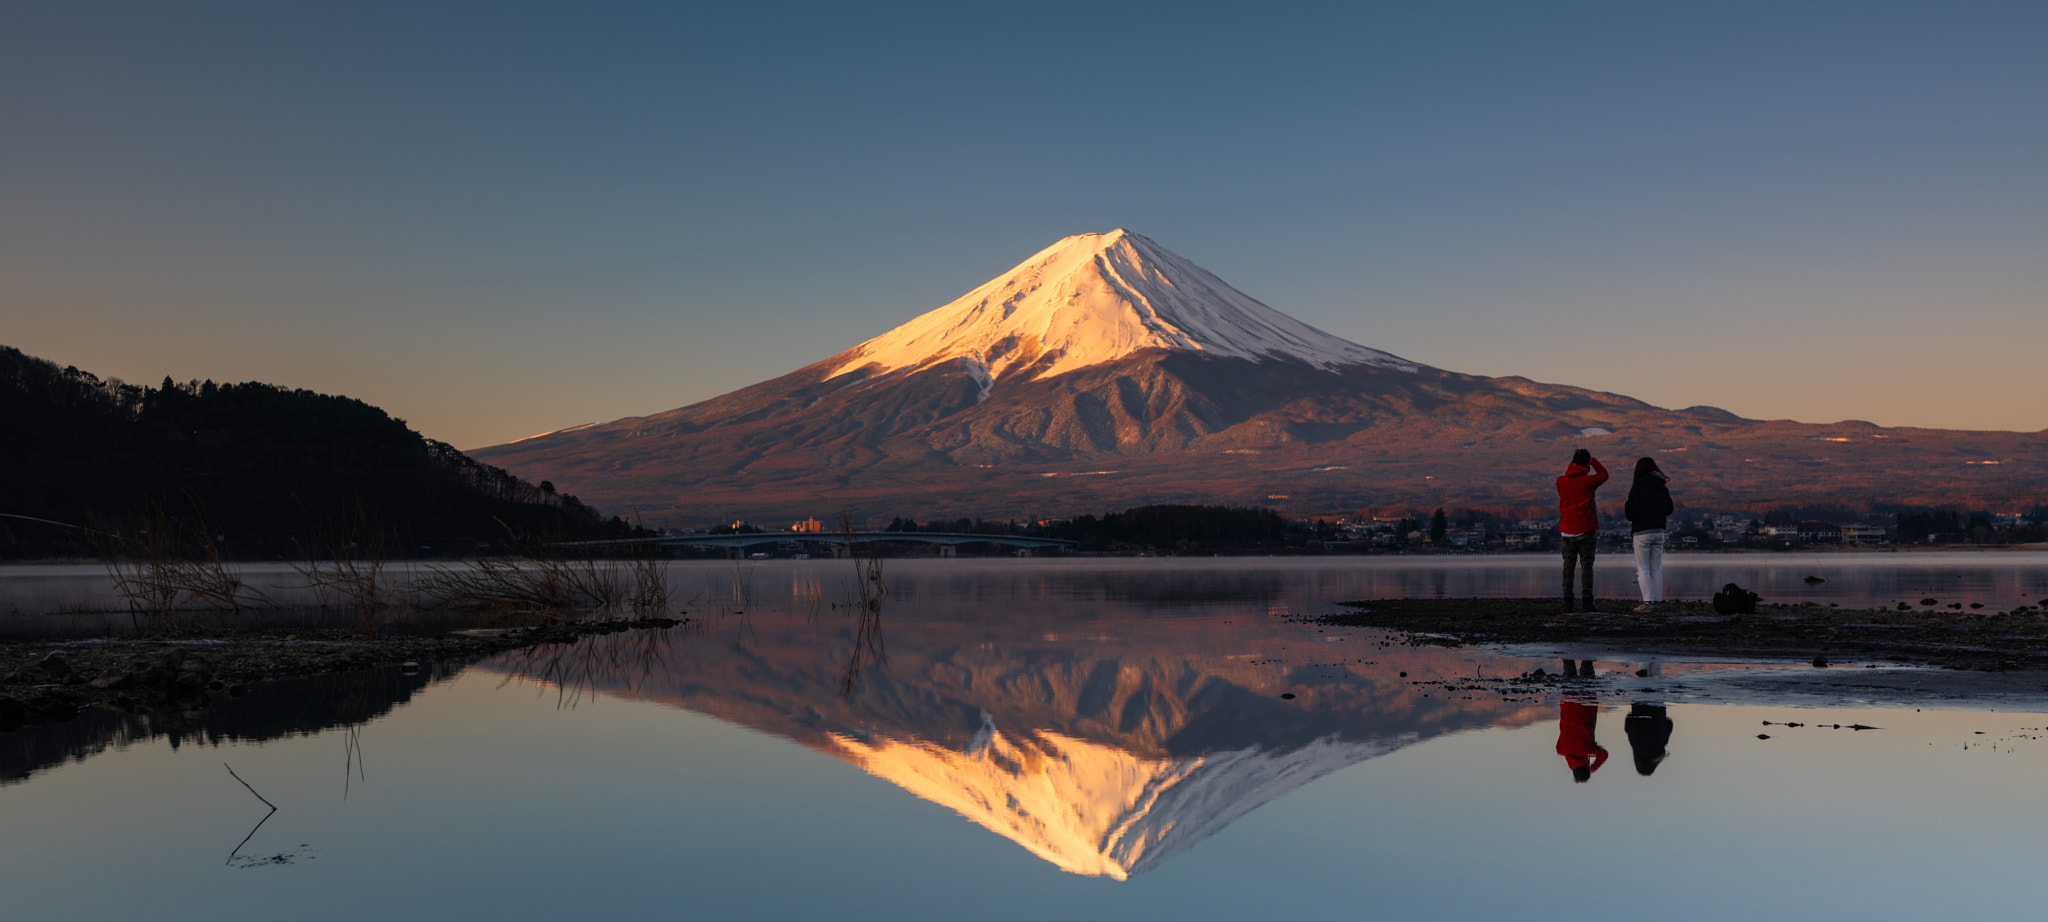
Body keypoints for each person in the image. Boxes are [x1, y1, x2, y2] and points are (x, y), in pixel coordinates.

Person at [1556, 448, 1608, 613]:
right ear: (1586, 464)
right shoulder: (1588, 481)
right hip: (1586, 529)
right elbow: (1604, 475)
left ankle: (1568, 603)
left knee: (1568, 567)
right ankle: (1587, 602)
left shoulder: (1560, 481)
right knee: (1587, 567)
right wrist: (1593, 461)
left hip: (1566, 530)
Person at [1624, 457, 1675, 612]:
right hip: (1659, 531)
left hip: (1642, 532)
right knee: (1656, 568)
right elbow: (1669, 508)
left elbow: (1630, 512)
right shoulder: (1662, 486)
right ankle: (1656, 601)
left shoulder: (1638, 486)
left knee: (1643, 568)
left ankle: (1647, 603)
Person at [1555, 697, 1608, 783]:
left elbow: (1604, 755)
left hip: (1585, 703)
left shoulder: (1587, 751)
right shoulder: (1560, 749)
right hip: (1565, 701)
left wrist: (1592, 768)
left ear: (1586, 766)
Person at [1624, 701, 1674, 776]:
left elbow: (1669, 723)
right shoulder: (1637, 746)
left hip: (1659, 705)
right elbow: (1630, 724)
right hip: (1639, 704)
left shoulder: (1661, 746)